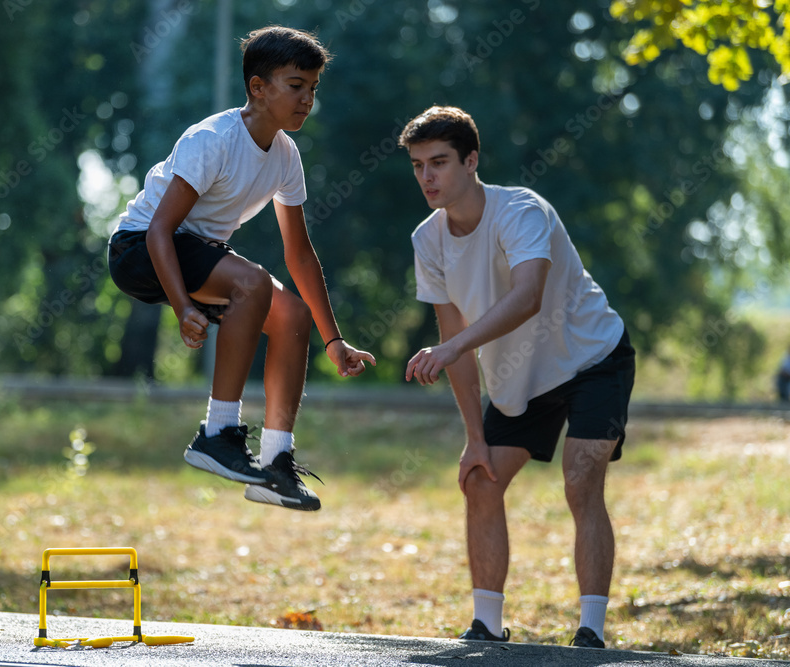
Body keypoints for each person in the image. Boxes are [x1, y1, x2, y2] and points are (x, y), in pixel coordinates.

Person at [107, 26, 374, 512]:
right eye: (296, 85)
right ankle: (217, 433)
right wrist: (183, 306)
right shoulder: (213, 139)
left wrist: (334, 340)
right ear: (258, 88)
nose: (307, 99)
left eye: (314, 88)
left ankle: (275, 465)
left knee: (292, 316)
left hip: (195, 252)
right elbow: (158, 231)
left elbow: (300, 255)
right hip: (140, 250)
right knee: (251, 283)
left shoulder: (287, 157)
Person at [398, 106, 635, 648]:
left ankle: (591, 632)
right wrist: (473, 439)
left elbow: (526, 298)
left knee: (580, 479)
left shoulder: (522, 210)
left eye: (439, 162)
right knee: (480, 479)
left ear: (471, 160)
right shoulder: (427, 239)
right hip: (518, 377)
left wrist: (453, 345)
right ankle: (485, 625)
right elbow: (453, 343)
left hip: (593, 358)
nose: (427, 177)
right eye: (417, 166)